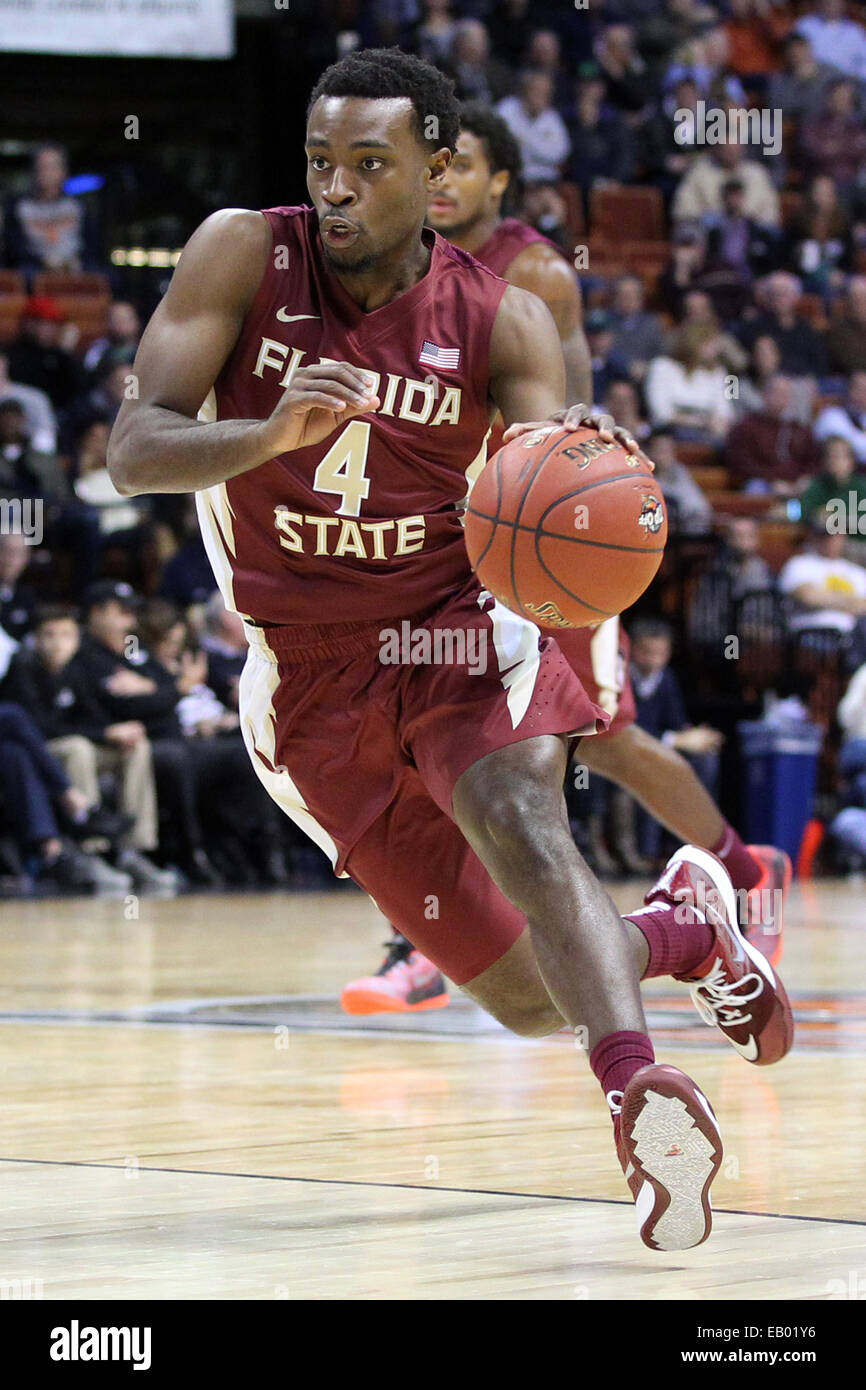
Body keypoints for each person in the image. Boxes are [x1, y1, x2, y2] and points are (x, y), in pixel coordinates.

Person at [106, 48, 794, 1251]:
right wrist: (269, 432)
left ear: (436, 172)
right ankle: (686, 926)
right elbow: (135, 449)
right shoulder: (239, 253)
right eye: (321, 162)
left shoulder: (502, 313)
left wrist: (582, 479)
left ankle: (636, 1100)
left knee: (527, 823)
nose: (336, 188)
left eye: (369, 165)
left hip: (458, 630)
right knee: (524, 1000)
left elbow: (549, 487)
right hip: (307, 673)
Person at [726, 373, 818, 495]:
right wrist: (772, 481)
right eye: (776, 392)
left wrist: (805, 478)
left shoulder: (799, 429)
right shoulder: (746, 427)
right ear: (764, 394)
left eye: (785, 394)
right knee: (755, 488)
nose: (781, 398)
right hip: (764, 482)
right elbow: (741, 463)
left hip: (796, 484)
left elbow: (815, 459)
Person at [644, 323, 734, 443]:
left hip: (709, 433)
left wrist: (715, 423)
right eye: (709, 343)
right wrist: (700, 422)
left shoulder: (720, 372)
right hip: (671, 432)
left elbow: (726, 412)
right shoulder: (661, 366)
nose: (715, 349)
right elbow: (661, 413)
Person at [496, 70, 570, 183]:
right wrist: (541, 144)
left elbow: (559, 153)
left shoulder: (552, 117)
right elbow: (504, 150)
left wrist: (525, 141)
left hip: (546, 181)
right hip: (513, 180)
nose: (541, 97)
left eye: (546, 93)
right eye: (537, 91)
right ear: (525, 90)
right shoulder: (506, 109)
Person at [813, 371, 866, 465]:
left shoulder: (863, 417)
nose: (863, 394)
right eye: (859, 388)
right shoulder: (831, 414)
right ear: (849, 390)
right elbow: (852, 448)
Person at [826, 275, 866, 376]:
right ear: (849, 302)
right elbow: (850, 362)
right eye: (856, 299)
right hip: (851, 379)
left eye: (863, 299)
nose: (860, 304)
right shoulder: (838, 330)